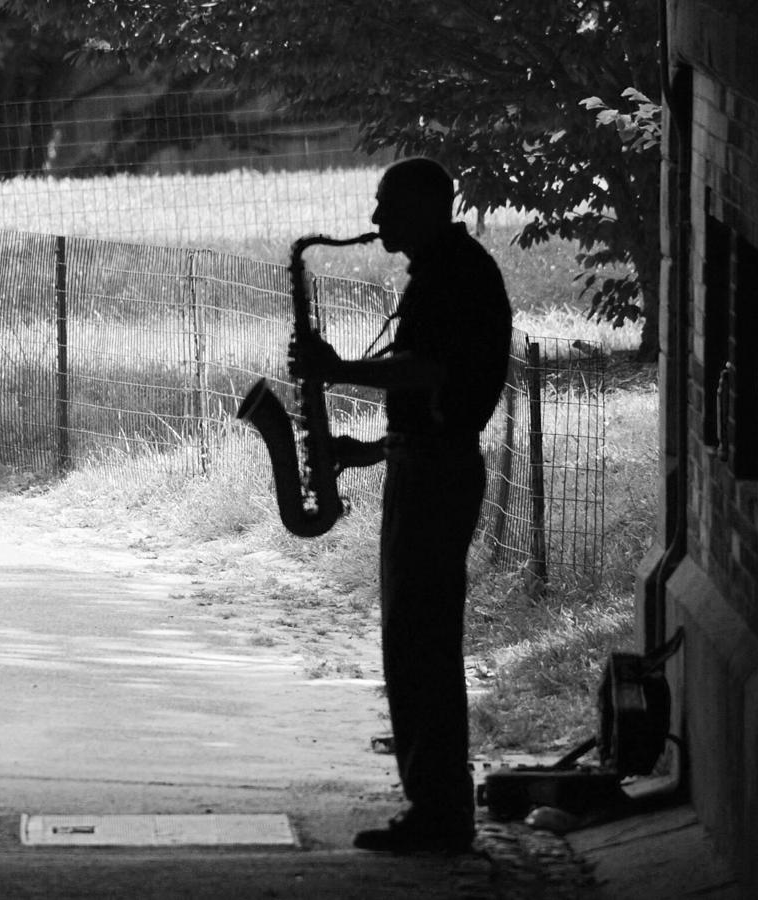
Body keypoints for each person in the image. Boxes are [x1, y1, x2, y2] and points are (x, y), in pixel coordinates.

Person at [289, 157, 512, 854]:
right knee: (413, 639)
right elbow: (439, 400)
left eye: (386, 204)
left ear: (421, 207)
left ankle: (439, 812)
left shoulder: (453, 276)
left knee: (421, 644)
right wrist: (373, 450)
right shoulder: (444, 271)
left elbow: (431, 372)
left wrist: (337, 370)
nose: (375, 218)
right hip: (427, 465)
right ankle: (433, 803)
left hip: (436, 477)